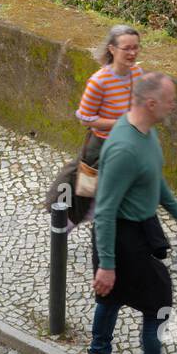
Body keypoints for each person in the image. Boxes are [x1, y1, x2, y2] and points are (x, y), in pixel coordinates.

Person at [86, 72, 177, 354]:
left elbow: (154, 177)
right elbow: (105, 212)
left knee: (112, 296)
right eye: (170, 100)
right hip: (122, 236)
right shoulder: (124, 147)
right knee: (157, 305)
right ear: (151, 103)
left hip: (139, 227)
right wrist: (106, 264)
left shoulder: (146, 132)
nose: (174, 105)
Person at [47, 26, 144, 227]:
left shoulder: (137, 73)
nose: (132, 53)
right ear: (112, 49)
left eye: (136, 47)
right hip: (102, 148)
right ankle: (64, 230)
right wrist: (120, 123)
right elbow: (85, 119)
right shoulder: (99, 81)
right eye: (127, 48)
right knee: (90, 194)